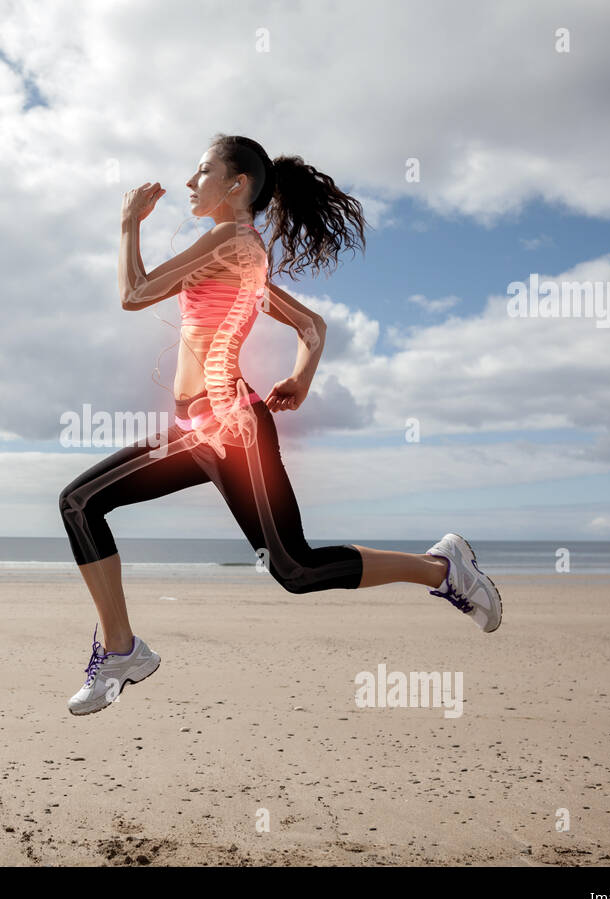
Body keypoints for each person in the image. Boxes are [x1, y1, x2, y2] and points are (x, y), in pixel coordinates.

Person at [60, 134, 501, 716]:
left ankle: (442, 569)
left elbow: (134, 293)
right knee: (87, 505)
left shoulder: (230, 239)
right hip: (203, 428)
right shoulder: (240, 255)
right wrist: (299, 379)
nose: (190, 182)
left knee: (291, 567)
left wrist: (127, 224)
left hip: (228, 427)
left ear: (236, 184)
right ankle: (122, 651)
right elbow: (312, 326)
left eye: (202, 171)